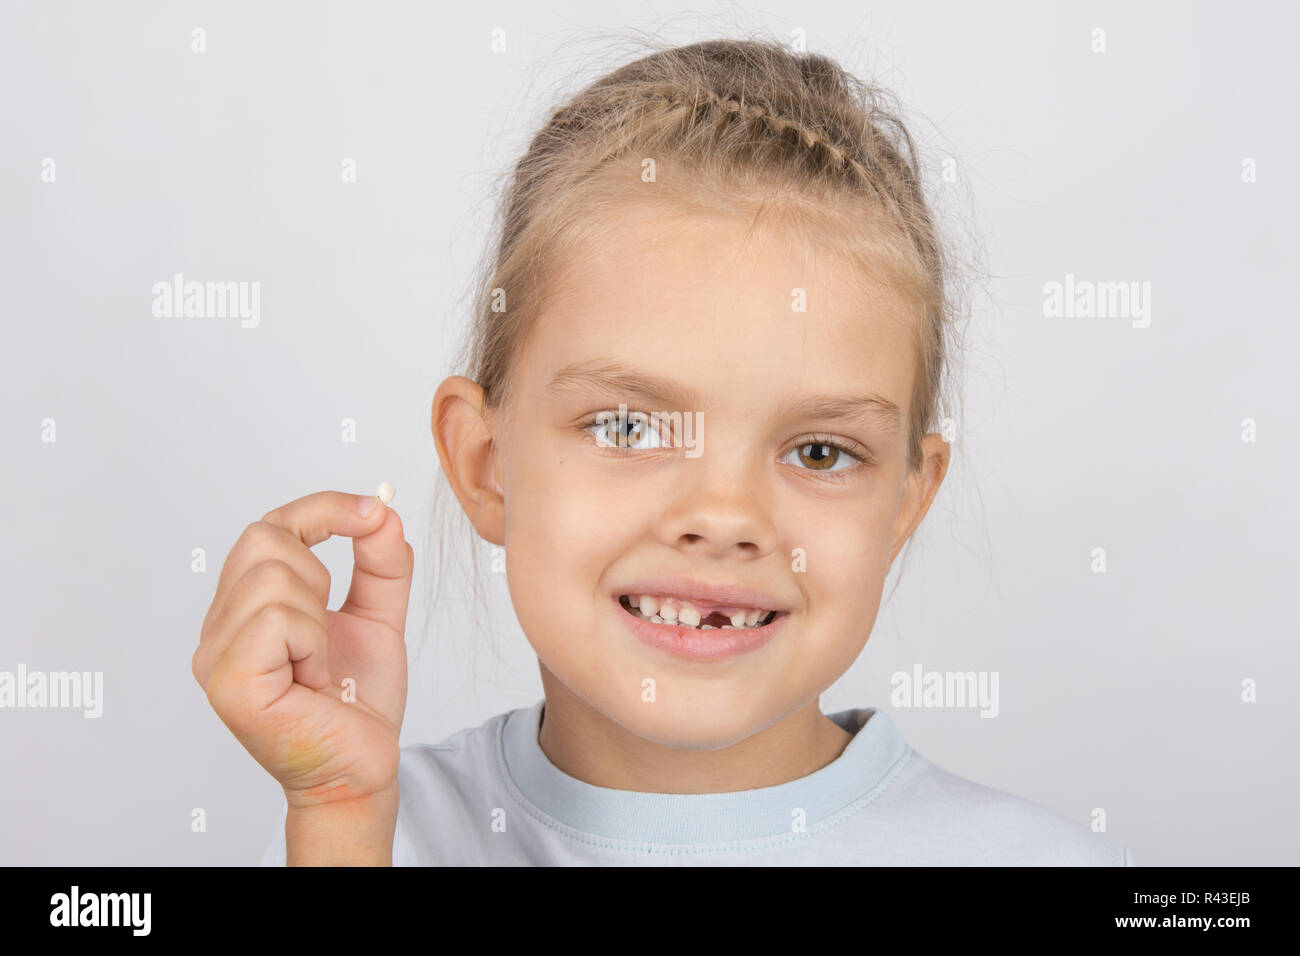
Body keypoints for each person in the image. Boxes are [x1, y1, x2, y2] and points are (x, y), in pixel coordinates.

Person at [192, 37, 1135, 866]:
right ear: (486, 464)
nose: (724, 517)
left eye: (817, 452)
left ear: (904, 503)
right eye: (629, 428)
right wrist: (340, 821)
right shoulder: (359, 830)